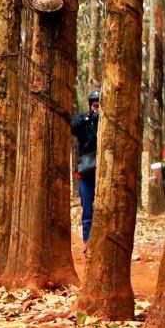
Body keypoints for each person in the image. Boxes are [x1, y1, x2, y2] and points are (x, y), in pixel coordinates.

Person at [71, 89, 100, 255]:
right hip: (87, 171)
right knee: (87, 209)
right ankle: (87, 242)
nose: (98, 109)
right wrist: (89, 118)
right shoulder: (84, 120)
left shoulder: (108, 122)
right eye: (95, 106)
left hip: (106, 172)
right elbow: (73, 126)